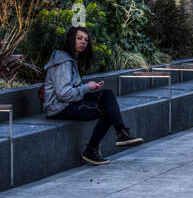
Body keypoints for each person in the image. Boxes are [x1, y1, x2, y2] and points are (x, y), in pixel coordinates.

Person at [44, 25, 142, 166]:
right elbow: (64, 94)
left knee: (107, 95)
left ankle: (117, 135)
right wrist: (86, 87)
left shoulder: (69, 59)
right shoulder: (63, 61)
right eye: (79, 38)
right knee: (108, 109)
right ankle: (110, 138)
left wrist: (90, 88)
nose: (83, 42)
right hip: (59, 107)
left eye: (86, 40)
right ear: (71, 39)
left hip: (69, 103)